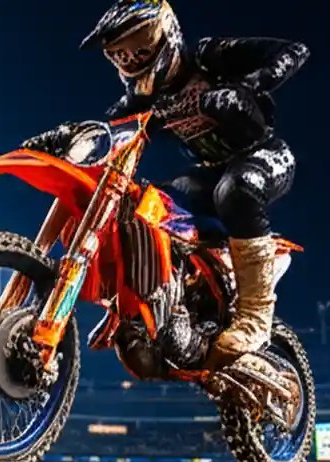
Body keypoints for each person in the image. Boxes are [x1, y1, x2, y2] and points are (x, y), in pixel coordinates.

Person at [26, 0, 309, 369]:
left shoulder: (208, 58)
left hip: (263, 156)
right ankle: (166, 300)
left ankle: (254, 316)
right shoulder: (145, 100)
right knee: (146, 204)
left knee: (235, 190)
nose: (131, 59)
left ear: (166, 33)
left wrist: (246, 87)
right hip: (208, 172)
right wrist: (62, 137)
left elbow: (294, 51)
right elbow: (107, 130)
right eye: (120, 55)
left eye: (140, 46)